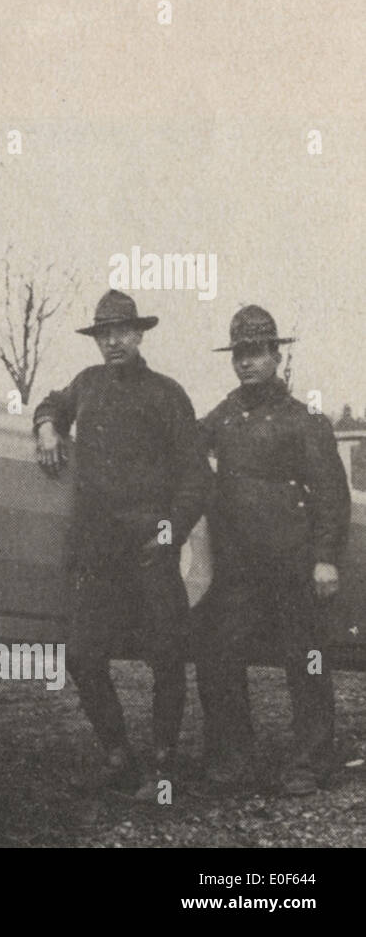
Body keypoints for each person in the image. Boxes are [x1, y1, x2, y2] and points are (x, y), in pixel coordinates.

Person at [33, 290, 211, 797]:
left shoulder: (167, 394)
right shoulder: (87, 385)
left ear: (139, 335)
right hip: (98, 549)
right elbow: (53, 402)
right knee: (83, 656)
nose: (112, 342)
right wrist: (47, 427)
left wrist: (168, 531)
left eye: (121, 332)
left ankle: (162, 759)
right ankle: (117, 752)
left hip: (152, 549)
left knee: (167, 656)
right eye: (103, 334)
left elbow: (196, 477)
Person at [196, 306, 350, 796]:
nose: (247, 363)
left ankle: (310, 763)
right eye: (240, 354)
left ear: (276, 355)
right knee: (216, 653)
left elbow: (332, 493)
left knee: (305, 661)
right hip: (239, 568)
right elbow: (184, 442)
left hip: (293, 565)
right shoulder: (224, 415)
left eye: (257, 353)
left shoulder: (305, 419)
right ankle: (232, 761)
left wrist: (325, 557)